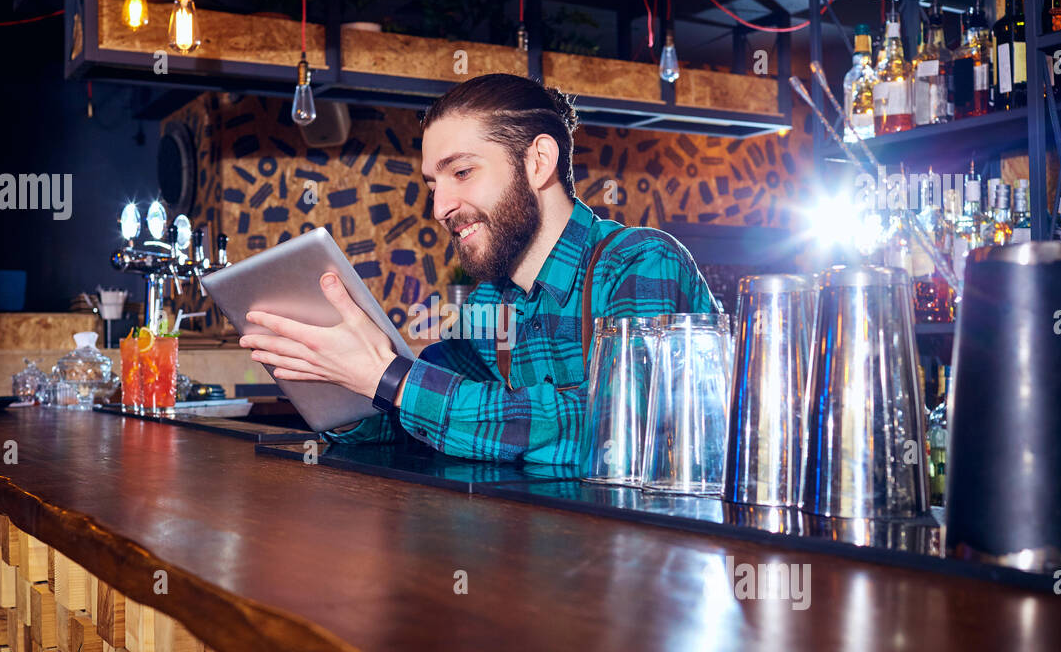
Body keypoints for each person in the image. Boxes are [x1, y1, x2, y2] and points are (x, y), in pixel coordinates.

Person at [239, 73, 719, 466]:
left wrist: (388, 379)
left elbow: (622, 433)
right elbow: (425, 416)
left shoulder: (640, 262)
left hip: (664, 563)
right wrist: (339, 382)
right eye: (433, 183)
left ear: (538, 161)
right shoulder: (491, 300)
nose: (440, 207)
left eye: (462, 172)